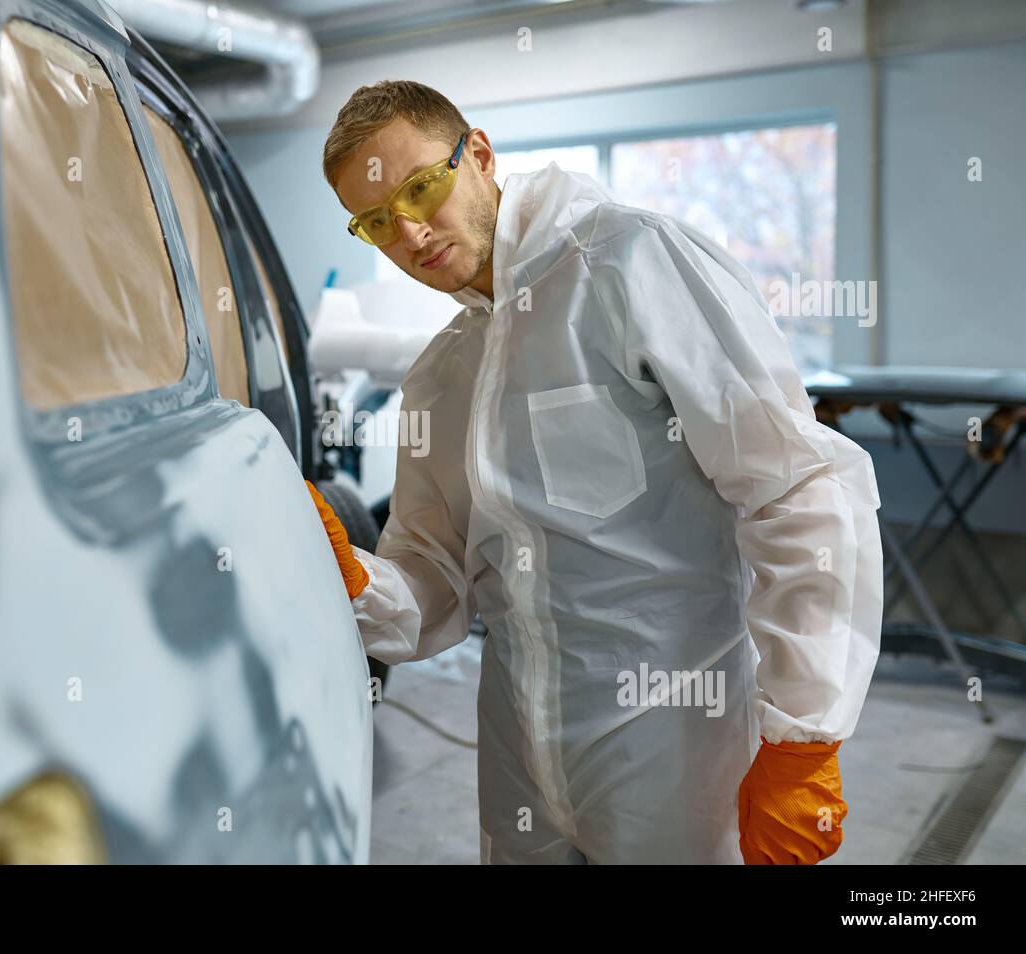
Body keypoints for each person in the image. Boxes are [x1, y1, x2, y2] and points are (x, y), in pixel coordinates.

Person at [307, 80, 882, 864]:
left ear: (477, 154)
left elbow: (796, 485)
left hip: (677, 739)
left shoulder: (631, 263)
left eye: (420, 188)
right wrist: (358, 580)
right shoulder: (440, 374)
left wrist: (803, 738)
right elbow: (438, 582)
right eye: (376, 222)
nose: (409, 233)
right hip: (519, 746)